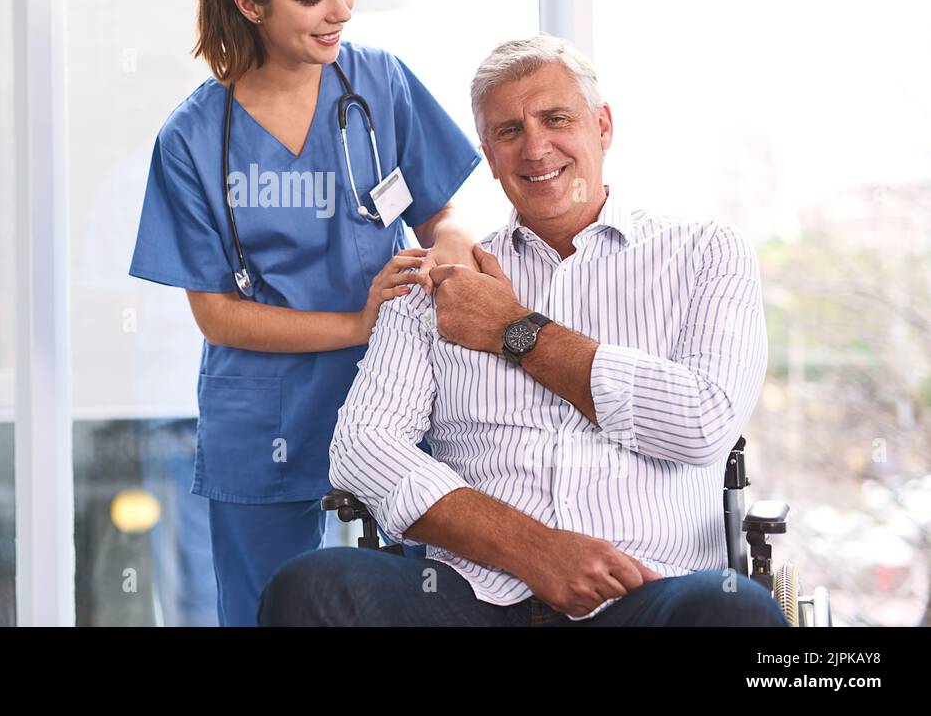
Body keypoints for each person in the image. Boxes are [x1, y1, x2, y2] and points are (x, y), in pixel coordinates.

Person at [258, 34, 788, 626]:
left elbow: (702, 422)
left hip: (646, 590)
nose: (536, 149)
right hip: (470, 595)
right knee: (312, 586)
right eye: (509, 131)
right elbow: (362, 448)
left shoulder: (706, 255)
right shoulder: (440, 283)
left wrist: (515, 329)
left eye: (555, 118)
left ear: (603, 126)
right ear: (488, 154)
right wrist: (535, 551)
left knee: (734, 611)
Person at [128, 0, 483, 626]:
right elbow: (219, 315)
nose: (341, 12)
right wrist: (357, 321)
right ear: (250, 5)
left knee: (421, 608)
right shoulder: (192, 138)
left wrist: (448, 263)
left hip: (390, 399)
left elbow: (442, 216)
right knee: (269, 612)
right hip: (263, 421)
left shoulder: (379, 84)